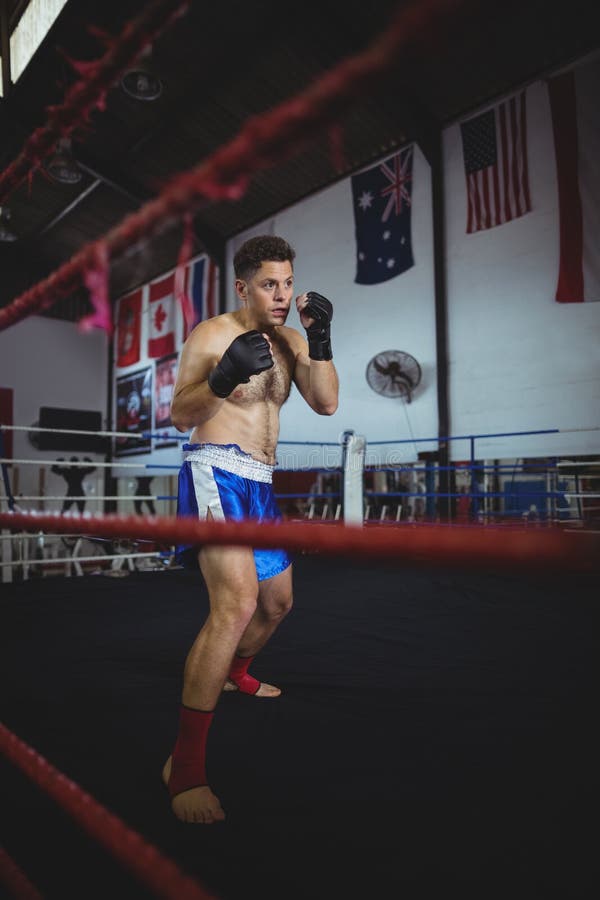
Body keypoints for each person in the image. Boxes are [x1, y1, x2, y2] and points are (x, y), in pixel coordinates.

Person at [163, 234, 339, 824]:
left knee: (279, 602)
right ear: (243, 286)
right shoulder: (211, 335)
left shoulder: (291, 338)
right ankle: (184, 768)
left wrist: (319, 338)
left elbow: (327, 403)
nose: (283, 294)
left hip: (261, 482)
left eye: (288, 282)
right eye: (270, 284)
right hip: (214, 470)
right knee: (235, 605)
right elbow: (179, 415)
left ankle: (235, 672)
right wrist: (220, 379)